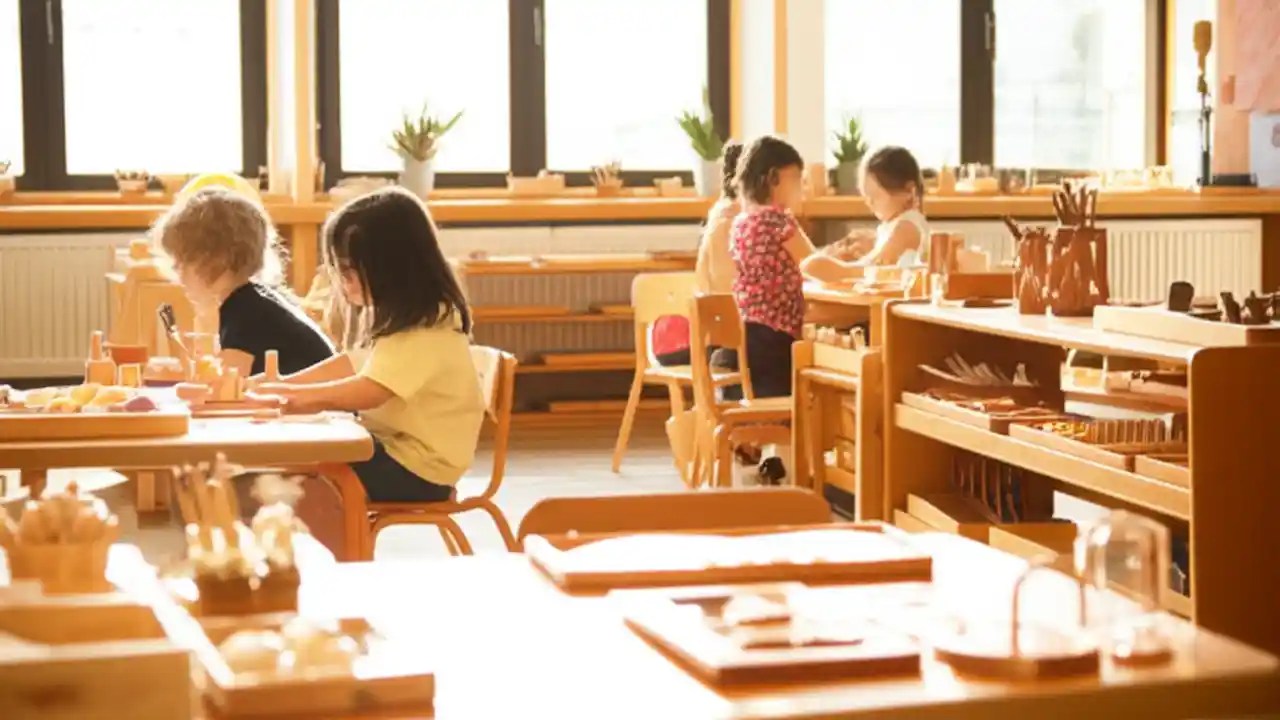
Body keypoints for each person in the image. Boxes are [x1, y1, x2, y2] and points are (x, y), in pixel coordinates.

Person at [256, 187, 484, 504]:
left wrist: (301, 399)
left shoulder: (426, 329)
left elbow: (371, 390)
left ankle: (319, 548)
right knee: (303, 458)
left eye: (349, 271)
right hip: (400, 455)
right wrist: (282, 384)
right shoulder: (411, 320)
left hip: (417, 471)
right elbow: (355, 363)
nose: (342, 282)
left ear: (392, 268)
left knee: (303, 473)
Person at [152, 184, 334, 377]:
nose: (176, 271)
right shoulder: (258, 299)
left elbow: (228, 388)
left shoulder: (244, 311)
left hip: (321, 407)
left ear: (215, 259)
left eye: (182, 261)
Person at [730, 135, 861, 397]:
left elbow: (794, 258)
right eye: (797, 179)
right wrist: (858, 270)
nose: (802, 188)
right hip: (776, 338)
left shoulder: (742, 222)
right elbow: (812, 263)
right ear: (773, 178)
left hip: (746, 332)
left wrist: (832, 255)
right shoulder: (779, 221)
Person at [649, 141, 747, 368]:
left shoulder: (725, 213)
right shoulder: (730, 221)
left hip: (704, 331)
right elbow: (728, 296)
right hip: (697, 339)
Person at [855, 145, 929, 267]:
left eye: (874, 196)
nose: (869, 203)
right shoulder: (892, 225)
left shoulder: (907, 226)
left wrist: (840, 269)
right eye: (866, 196)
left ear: (909, 192)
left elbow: (876, 267)